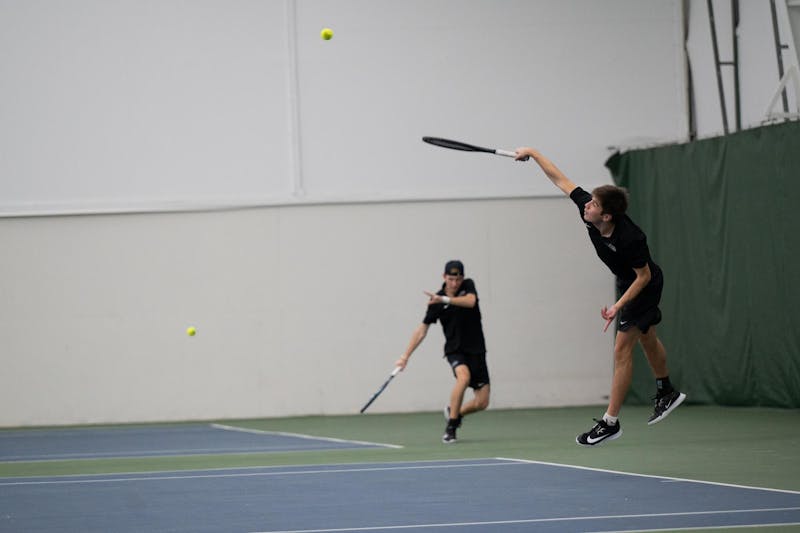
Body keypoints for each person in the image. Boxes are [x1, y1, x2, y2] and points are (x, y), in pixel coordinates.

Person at [514, 147, 685, 446]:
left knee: (621, 350)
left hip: (643, 285)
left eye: (593, 204)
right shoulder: (589, 213)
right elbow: (561, 179)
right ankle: (666, 390)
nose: (586, 206)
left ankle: (610, 423)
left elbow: (643, 276)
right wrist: (533, 153)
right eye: (589, 201)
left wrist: (618, 306)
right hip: (627, 283)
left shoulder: (631, 238)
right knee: (647, 337)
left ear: (606, 215)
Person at [395, 260, 490, 443]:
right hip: (455, 350)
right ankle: (451, 427)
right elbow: (422, 331)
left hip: (477, 350)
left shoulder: (468, 286)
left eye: (458, 279)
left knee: (482, 402)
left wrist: (445, 300)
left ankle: (453, 412)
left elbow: (471, 302)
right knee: (464, 377)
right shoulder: (436, 302)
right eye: (451, 279)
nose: (455, 283)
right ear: (444, 277)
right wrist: (405, 356)